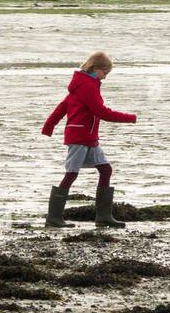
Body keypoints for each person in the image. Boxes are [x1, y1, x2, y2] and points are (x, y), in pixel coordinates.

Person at [41, 51, 137, 229]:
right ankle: (53, 218)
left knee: (106, 170)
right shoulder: (86, 86)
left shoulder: (86, 84)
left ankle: (103, 217)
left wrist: (49, 126)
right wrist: (129, 118)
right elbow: (101, 112)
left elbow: (62, 107)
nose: (105, 77)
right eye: (104, 73)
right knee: (71, 174)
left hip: (90, 137)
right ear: (95, 68)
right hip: (79, 137)